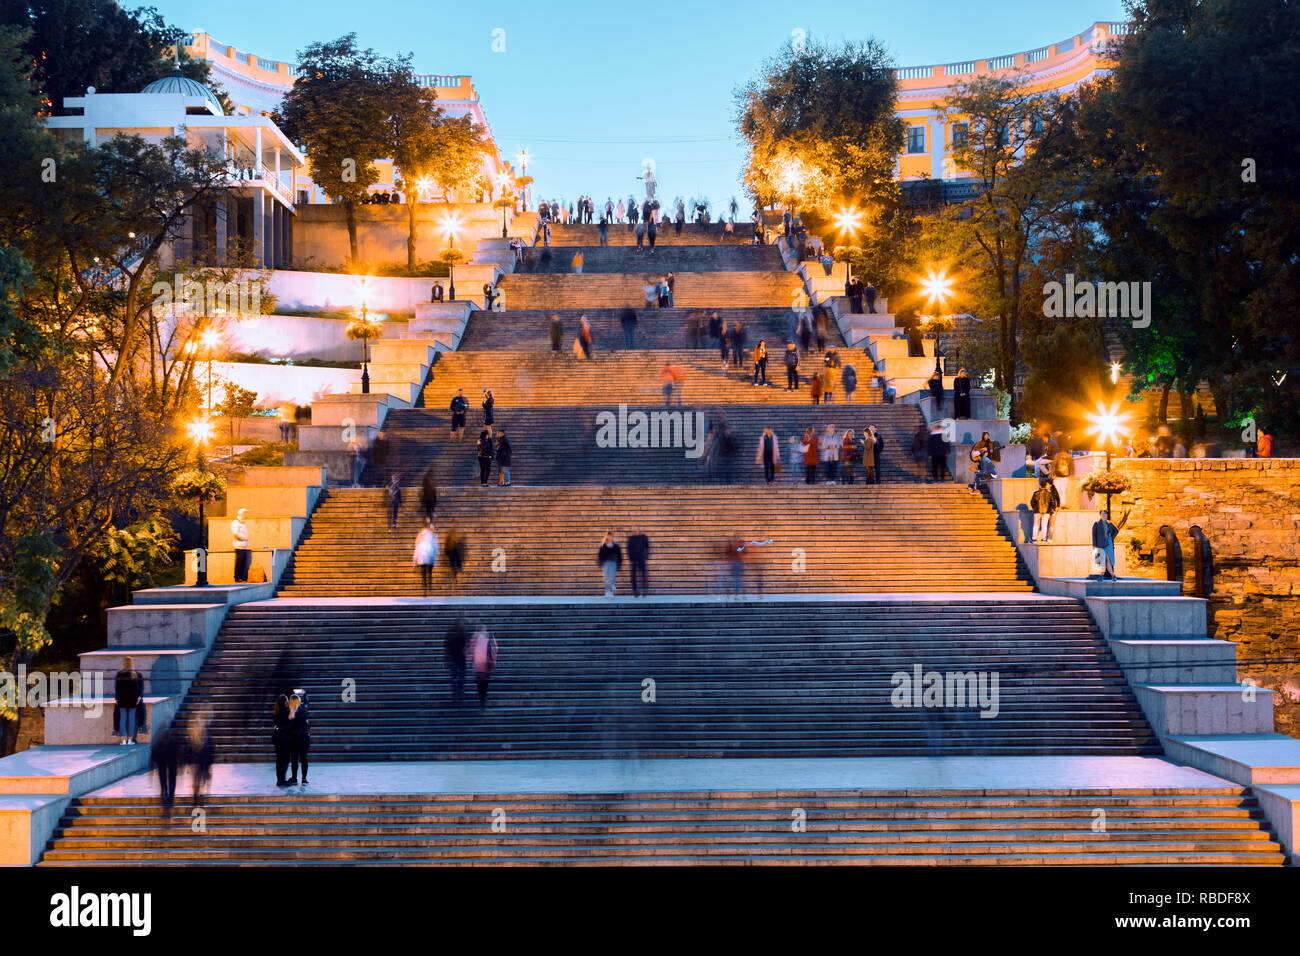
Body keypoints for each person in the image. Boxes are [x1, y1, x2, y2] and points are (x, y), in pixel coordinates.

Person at [150, 723, 180, 817]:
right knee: (170, 782)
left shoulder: (160, 741)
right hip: (170, 766)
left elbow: (153, 754)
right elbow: (179, 753)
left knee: (164, 784)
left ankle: (166, 797)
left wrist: (153, 763)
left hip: (163, 766)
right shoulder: (173, 740)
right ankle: (170, 798)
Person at [186, 707, 214, 806]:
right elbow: (188, 749)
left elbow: (211, 749)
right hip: (198, 762)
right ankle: (197, 799)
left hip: (201, 762)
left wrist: (210, 762)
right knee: (198, 781)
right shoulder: (194, 736)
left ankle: (198, 799)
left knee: (199, 781)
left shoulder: (203, 735)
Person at [1091, 507, 1129, 580]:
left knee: (1108, 560)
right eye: (1102, 513)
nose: (1104, 515)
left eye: (1105, 513)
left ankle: (1108, 576)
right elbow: (1094, 534)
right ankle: (1106, 576)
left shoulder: (1110, 523)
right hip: (1100, 544)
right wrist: (1094, 544)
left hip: (1108, 544)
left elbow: (1116, 530)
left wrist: (1111, 538)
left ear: (1107, 515)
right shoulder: (1096, 524)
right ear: (1100, 515)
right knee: (1102, 561)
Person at [114, 657, 144, 745]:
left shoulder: (119, 674)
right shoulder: (137, 674)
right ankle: (130, 740)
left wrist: (116, 698)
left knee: (122, 718)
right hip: (133, 698)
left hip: (122, 698)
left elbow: (117, 687)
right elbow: (140, 688)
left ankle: (123, 740)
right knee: (131, 719)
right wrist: (139, 698)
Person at [468, 625, 498, 710]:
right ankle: (484, 699)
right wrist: (494, 660)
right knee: (485, 683)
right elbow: (495, 648)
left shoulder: (475, 638)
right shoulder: (489, 637)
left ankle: (482, 699)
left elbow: (469, 649)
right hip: (487, 665)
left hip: (477, 666)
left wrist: (470, 658)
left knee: (479, 684)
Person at [287, 691, 310, 786]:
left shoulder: (289, 713)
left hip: (294, 739)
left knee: (294, 759)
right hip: (304, 738)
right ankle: (304, 779)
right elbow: (307, 702)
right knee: (304, 758)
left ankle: (294, 778)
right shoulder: (303, 709)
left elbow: (289, 728)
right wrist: (304, 693)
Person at [445, 614, 468, 704]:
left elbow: (467, 645)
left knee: (459, 676)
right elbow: (447, 646)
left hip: (460, 658)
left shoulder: (463, 633)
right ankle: (457, 693)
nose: (461, 625)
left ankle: (458, 693)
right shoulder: (454, 633)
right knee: (456, 676)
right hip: (456, 657)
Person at [414, 519, 439, 595]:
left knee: (424, 573)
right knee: (429, 572)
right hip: (430, 556)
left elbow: (417, 545)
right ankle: (429, 584)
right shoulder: (432, 535)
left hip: (422, 557)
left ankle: (425, 588)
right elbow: (435, 546)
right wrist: (436, 558)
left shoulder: (421, 535)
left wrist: (415, 560)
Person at [1030, 477, 1059, 543]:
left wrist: (1034, 508)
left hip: (1037, 511)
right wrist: (1052, 508)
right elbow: (1053, 503)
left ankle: (1034, 539)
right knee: (1044, 525)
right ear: (1045, 486)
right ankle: (1044, 539)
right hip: (1046, 512)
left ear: (1040, 486)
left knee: (1036, 525)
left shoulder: (1036, 493)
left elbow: (1032, 502)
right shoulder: (1049, 494)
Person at [271, 694, 292, 786]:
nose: (288, 701)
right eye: (287, 700)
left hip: (277, 737)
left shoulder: (277, 711)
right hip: (283, 737)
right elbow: (290, 725)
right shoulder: (286, 712)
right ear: (284, 702)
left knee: (280, 759)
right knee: (285, 758)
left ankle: (280, 779)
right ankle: (282, 779)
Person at [598, 531, 622, 597]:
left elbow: (619, 554)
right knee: (606, 577)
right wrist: (600, 562)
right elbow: (600, 555)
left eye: (611, 536)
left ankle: (611, 591)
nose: (609, 537)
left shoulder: (615, 545)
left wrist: (619, 563)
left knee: (612, 577)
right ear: (606, 537)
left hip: (613, 562)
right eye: (608, 536)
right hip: (606, 563)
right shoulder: (603, 545)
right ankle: (607, 591)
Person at [627, 528, 650, 597]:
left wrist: (646, 556)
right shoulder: (631, 538)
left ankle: (644, 591)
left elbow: (647, 547)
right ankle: (635, 591)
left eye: (639, 529)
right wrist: (630, 557)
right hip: (634, 559)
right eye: (637, 529)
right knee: (633, 576)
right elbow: (628, 548)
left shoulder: (644, 537)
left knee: (643, 575)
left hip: (642, 558)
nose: (638, 531)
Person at [231, 508, 251, 582]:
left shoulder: (243, 523)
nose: (246, 515)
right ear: (241, 514)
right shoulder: (236, 522)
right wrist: (243, 538)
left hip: (244, 545)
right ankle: (237, 577)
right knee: (239, 562)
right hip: (239, 545)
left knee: (243, 562)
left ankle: (241, 577)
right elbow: (235, 533)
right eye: (245, 513)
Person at [443, 528, 466, 592]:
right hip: (454, 560)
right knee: (455, 572)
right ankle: (455, 585)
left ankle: (453, 586)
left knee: (453, 572)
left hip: (452, 560)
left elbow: (446, 551)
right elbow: (459, 553)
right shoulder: (455, 542)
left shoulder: (449, 541)